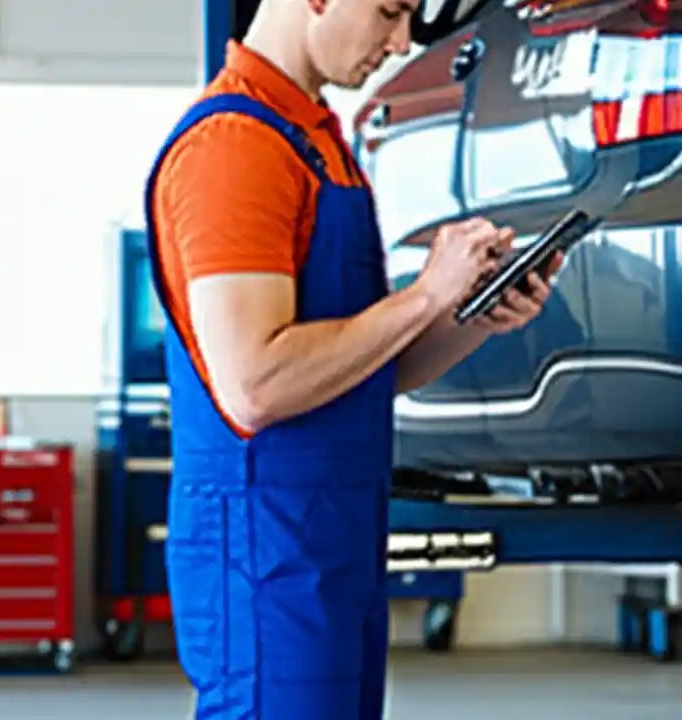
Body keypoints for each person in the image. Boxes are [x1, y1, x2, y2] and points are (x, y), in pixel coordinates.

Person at [143, 1, 563, 718]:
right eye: (390, 12)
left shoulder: (317, 143)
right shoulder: (233, 148)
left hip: (329, 541)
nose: (401, 44)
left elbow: (363, 371)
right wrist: (424, 296)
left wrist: (469, 315)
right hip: (264, 555)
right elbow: (257, 384)